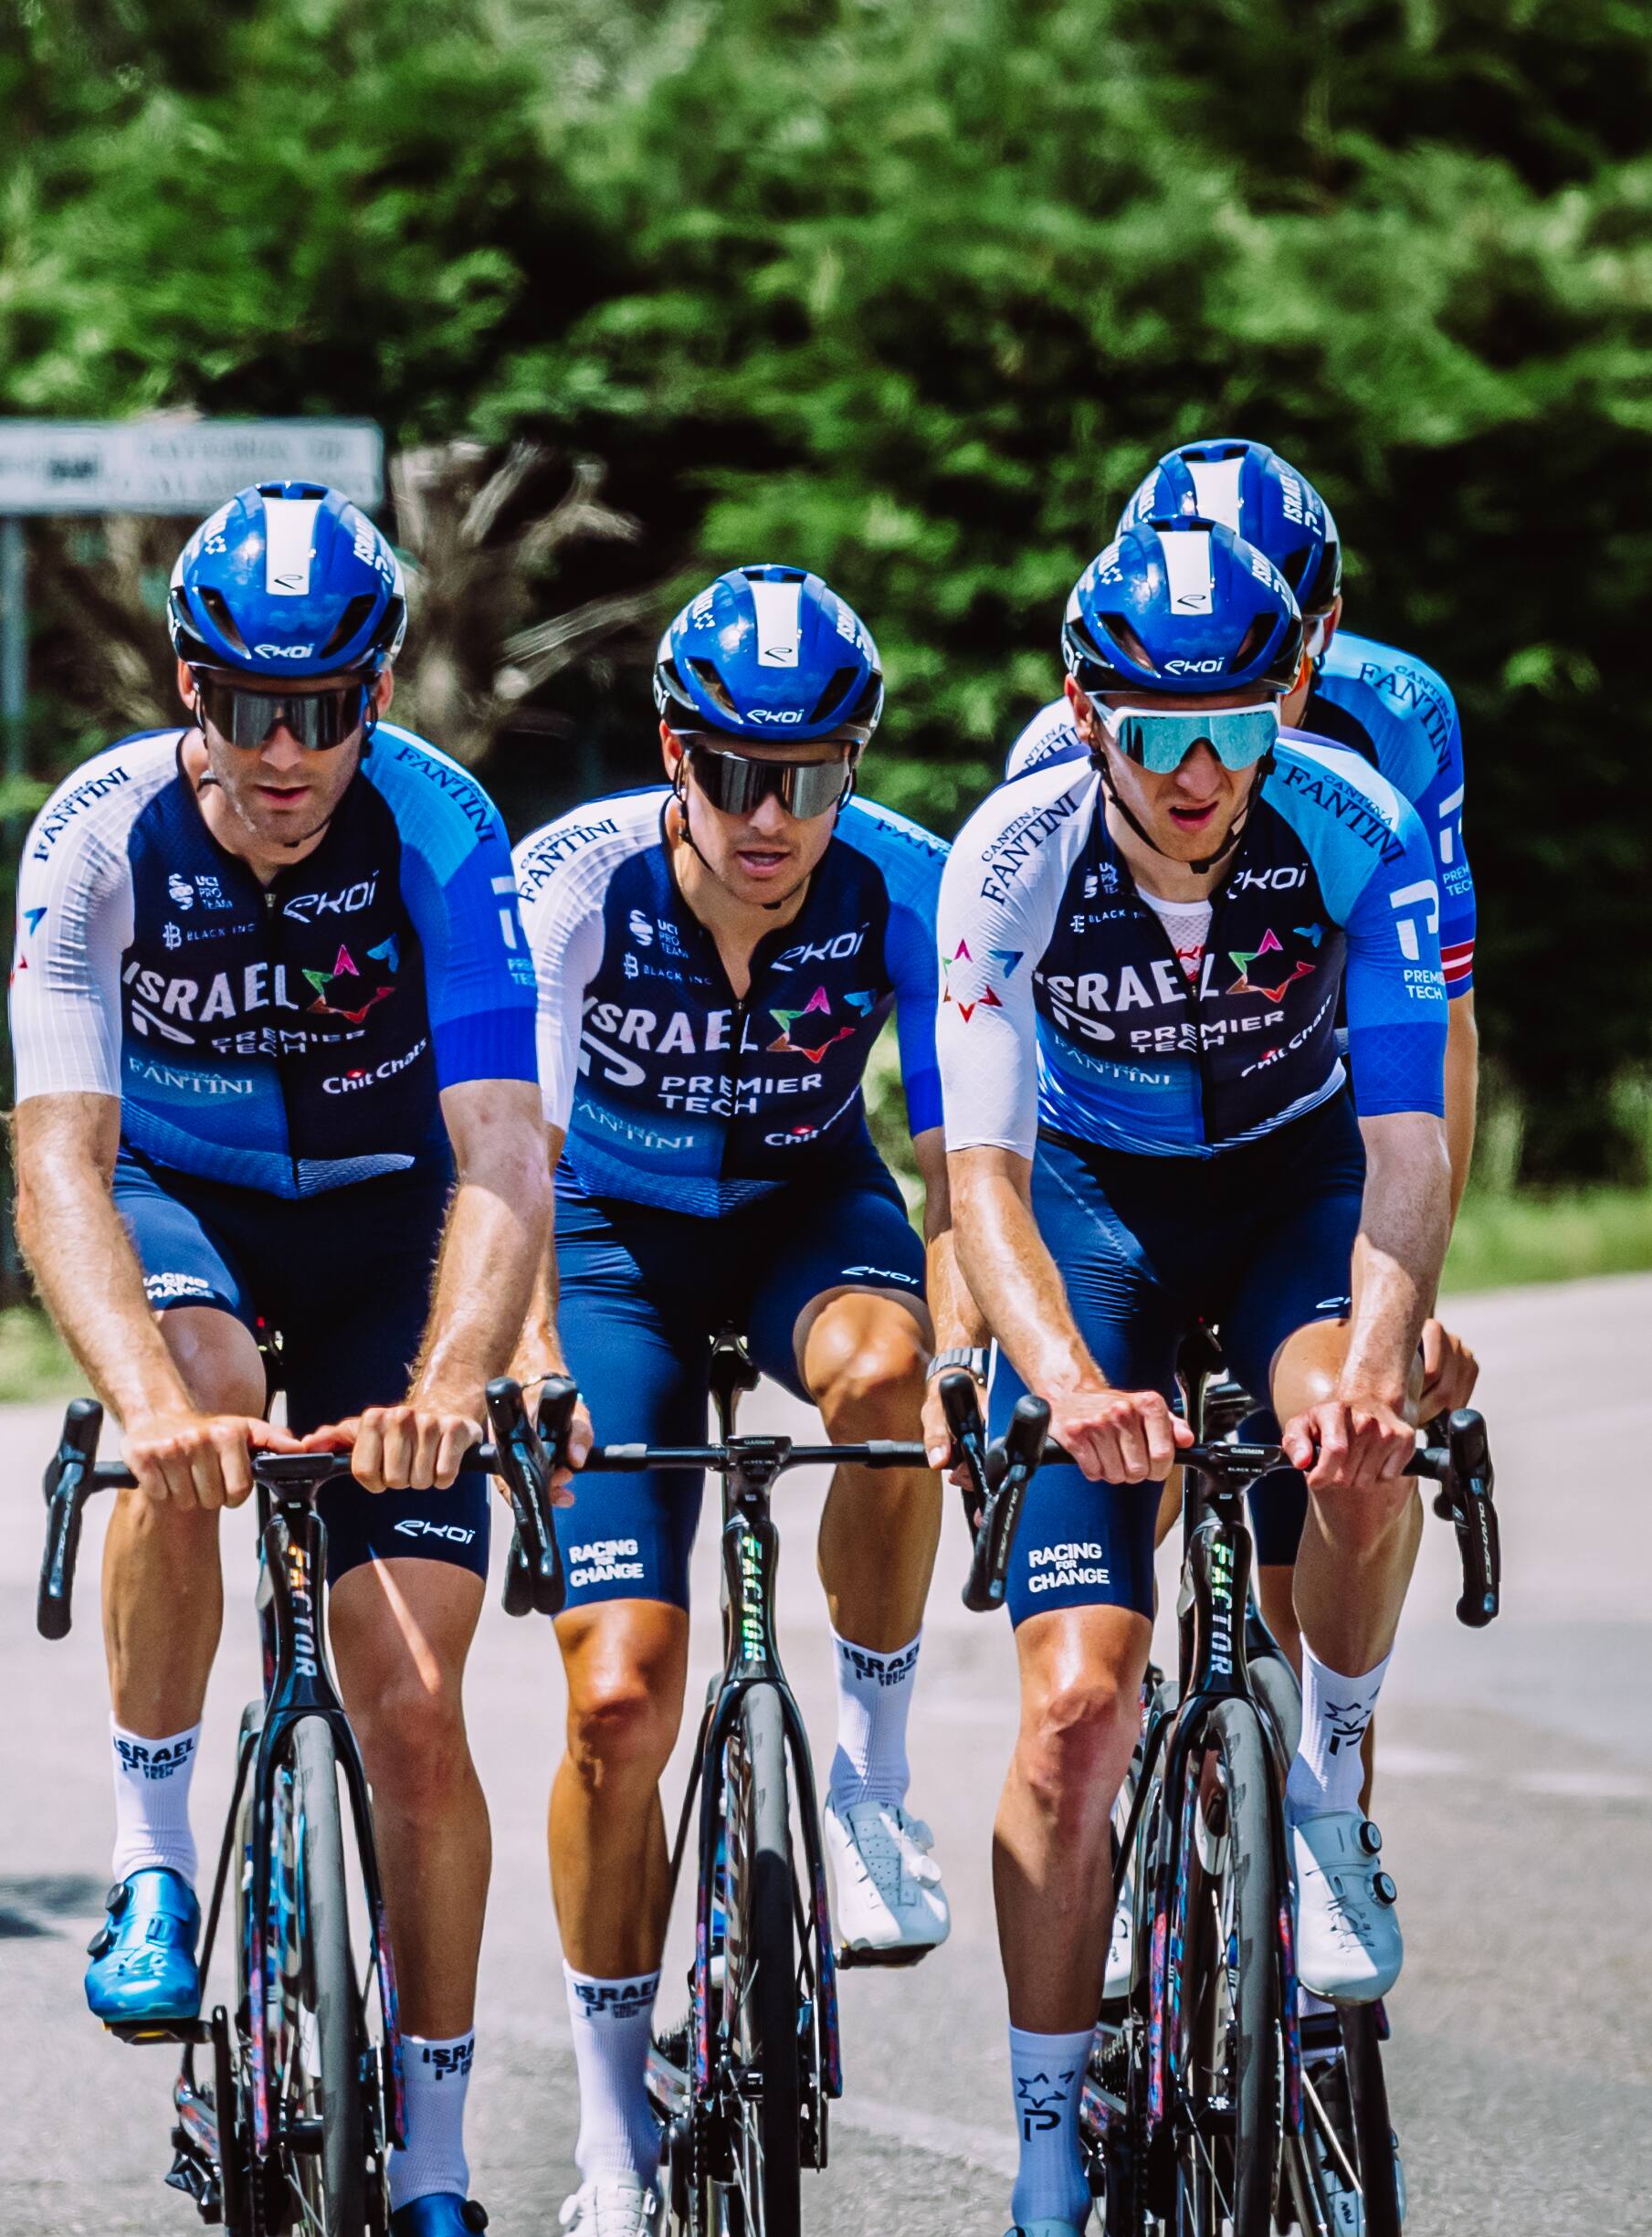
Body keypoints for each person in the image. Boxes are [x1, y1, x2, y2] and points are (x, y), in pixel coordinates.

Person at [7, 482, 550, 2237]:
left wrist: (458, 1377)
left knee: (407, 1710)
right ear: (190, 685)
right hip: (183, 1202)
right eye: (252, 704)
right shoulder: (93, 836)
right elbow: (58, 1159)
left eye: (328, 706)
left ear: (374, 696)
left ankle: (438, 2157)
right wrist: (147, 1411)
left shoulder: (443, 829)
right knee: (204, 1404)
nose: (289, 746)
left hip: (392, 1222)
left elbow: (500, 1148)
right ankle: (153, 1858)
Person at [935, 515, 1471, 2237]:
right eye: (1151, 725)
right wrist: (1063, 1381)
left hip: (1290, 1184)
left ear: (1287, 698)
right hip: (1088, 1209)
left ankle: (1328, 1785)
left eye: (1234, 721)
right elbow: (979, 1180)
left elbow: (1402, 1146)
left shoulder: (1351, 825)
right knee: (1079, 1709)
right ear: (1084, 707)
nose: (1191, 767)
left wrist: (1376, 1366)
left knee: (1354, 1445)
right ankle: (1042, 2133)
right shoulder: (1009, 851)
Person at [507, 565, 979, 2237]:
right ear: (670, 756)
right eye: (731, 773)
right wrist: (525, 1358)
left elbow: (959, 1166)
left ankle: (864, 1781)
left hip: (801, 1212)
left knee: (884, 1375)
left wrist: (973, 1336)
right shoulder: (566, 882)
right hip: (610, 1239)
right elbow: (514, 1151)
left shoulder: (910, 884)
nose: (772, 814)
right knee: (617, 1703)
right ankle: (608, 2128)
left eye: (814, 775)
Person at [1004, 438, 1479, 1671]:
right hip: (1114, 1157)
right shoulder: (1066, 761)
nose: (1230, 687)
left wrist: (1412, 1300)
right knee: (1122, 1511)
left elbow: (1445, 1032)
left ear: (1321, 622)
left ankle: (1329, 1804)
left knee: (1336, 1505)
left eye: (1279, 643)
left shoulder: (1397, 719)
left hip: (1305, 1126)